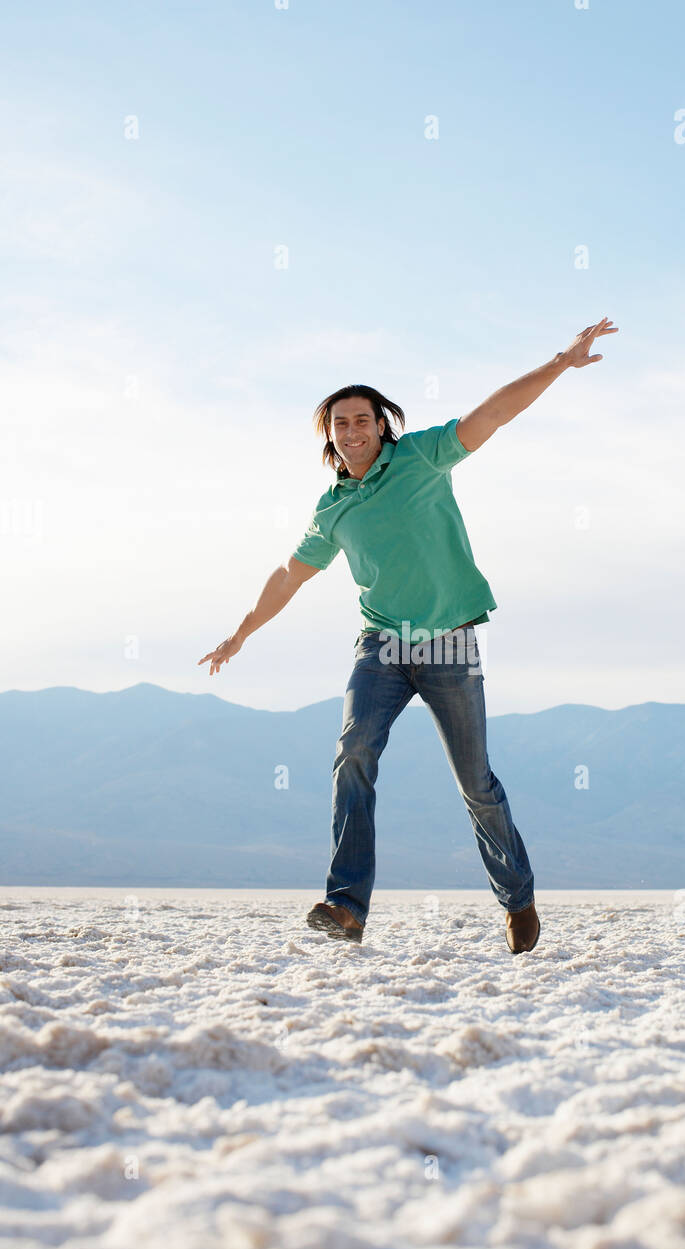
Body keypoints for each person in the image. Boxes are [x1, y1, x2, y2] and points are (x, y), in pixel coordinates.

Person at [199, 318, 618, 952]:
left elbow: (494, 414)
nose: (351, 431)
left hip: (449, 641)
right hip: (380, 648)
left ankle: (517, 896)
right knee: (353, 755)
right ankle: (347, 907)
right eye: (339, 423)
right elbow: (290, 575)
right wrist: (241, 633)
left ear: (380, 424)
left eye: (361, 419)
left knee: (475, 784)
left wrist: (560, 362)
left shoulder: (422, 455)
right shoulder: (332, 508)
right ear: (329, 436)